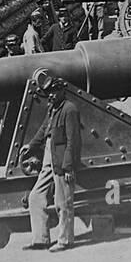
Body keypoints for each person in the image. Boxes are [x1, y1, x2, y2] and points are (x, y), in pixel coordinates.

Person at [20, 80, 81, 251]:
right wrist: (31, 145)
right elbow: (44, 129)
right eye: (49, 93)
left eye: (54, 92)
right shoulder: (53, 107)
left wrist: (68, 167)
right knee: (35, 197)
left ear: (62, 91)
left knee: (63, 202)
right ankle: (41, 239)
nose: (51, 96)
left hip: (61, 158)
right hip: (49, 153)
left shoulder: (69, 109)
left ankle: (65, 241)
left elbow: (73, 141)